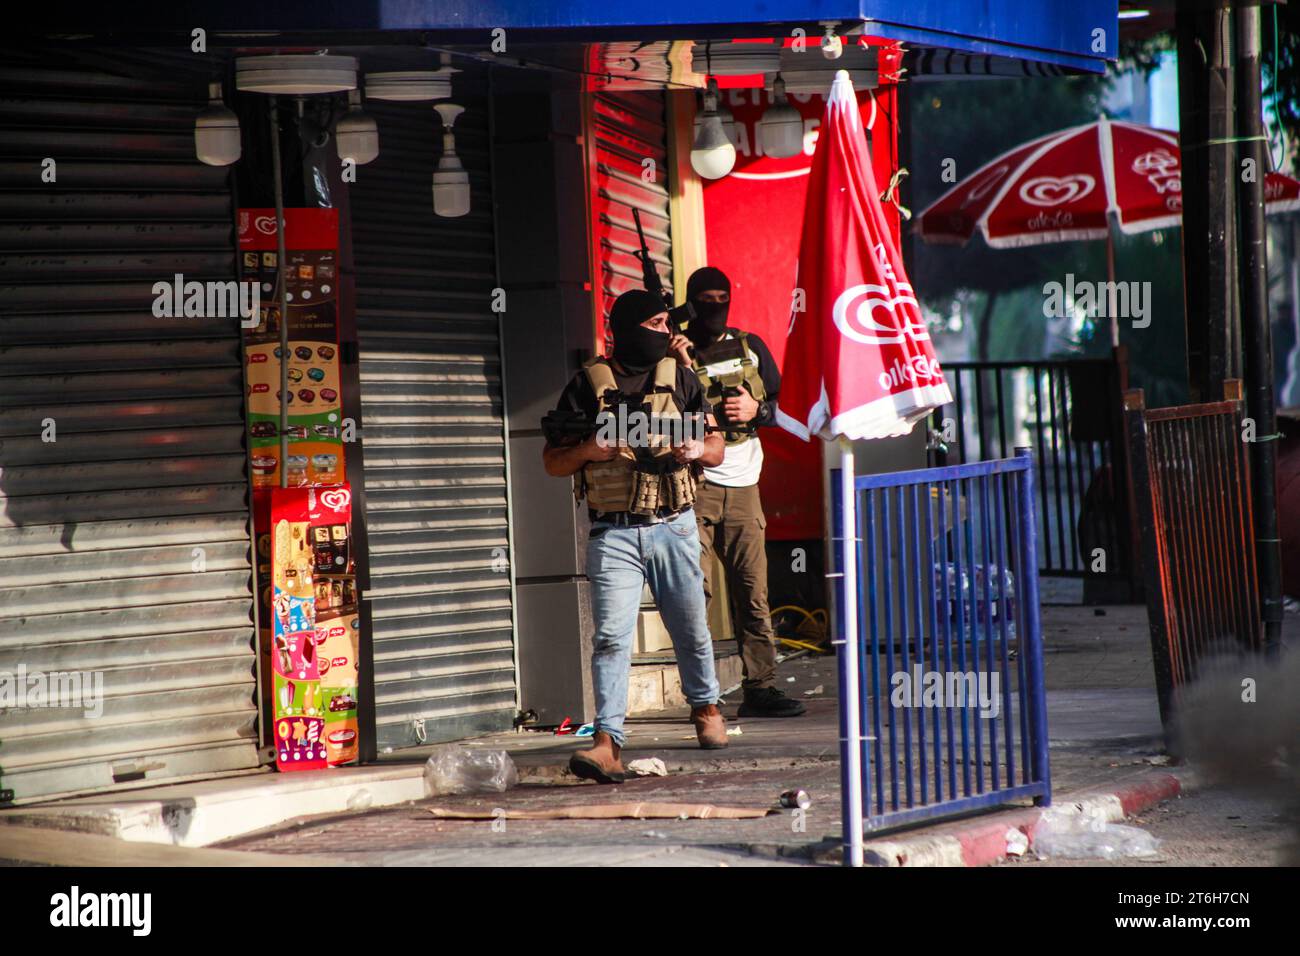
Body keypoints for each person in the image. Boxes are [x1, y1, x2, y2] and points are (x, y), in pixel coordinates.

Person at [542, 289, 730, 784]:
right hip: (614, 533)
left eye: (667, 323)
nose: (665, 331)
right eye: (655, 323)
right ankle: (607, 744)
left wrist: (697, 447)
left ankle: (706, 708)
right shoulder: (587, 386)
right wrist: (590, 449)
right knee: (610, 639)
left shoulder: (681, 378)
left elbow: (717, 448)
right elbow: (552, 462)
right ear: (627, 328)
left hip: (675, 524)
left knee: (690, 626)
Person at [668, 266, 807, 718]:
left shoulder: (750, 347)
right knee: (695, 594)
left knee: (753, 592)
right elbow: (657, 410)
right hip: (697, 485)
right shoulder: (673, 353)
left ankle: (761, 688)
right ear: (690, 304)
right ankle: (703, 696)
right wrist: (682, 368)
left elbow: (789, 406)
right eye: (705, 300)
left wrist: (757, 407)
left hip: (744, 484)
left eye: (721, 298)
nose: (715, 308)